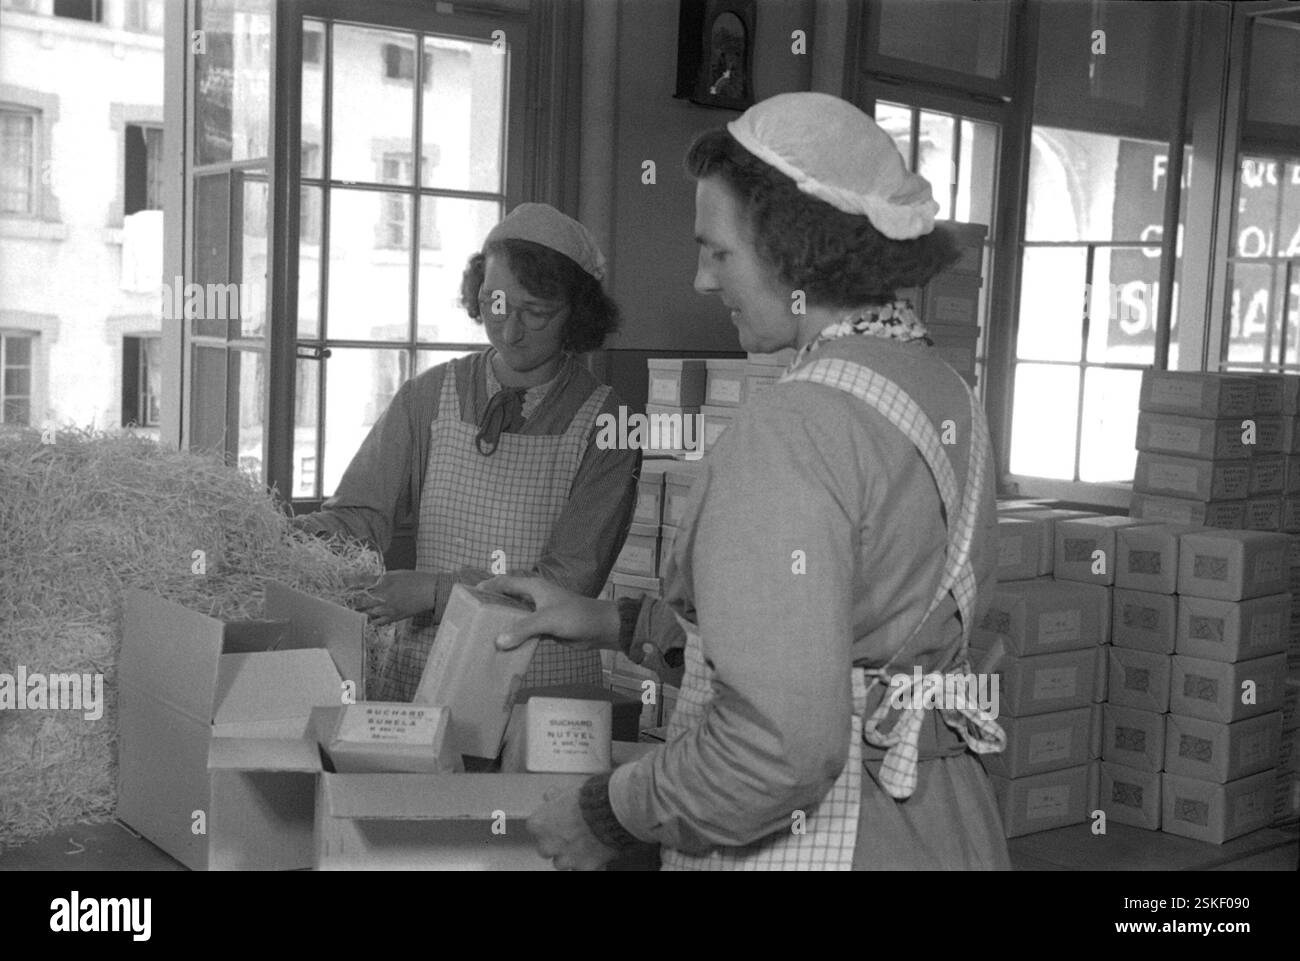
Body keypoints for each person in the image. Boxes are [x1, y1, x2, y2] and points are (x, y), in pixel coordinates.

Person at [484, 93, 1010, 870]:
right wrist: (611, 622)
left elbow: (778, 744)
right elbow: (836, 634)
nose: (701, 280)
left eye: (718, 252)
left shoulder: (792, 428)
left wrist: (608, 810)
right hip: (940, 825)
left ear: (792, 248)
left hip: (831, 834)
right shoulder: (943, 391)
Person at [297, 203, 639, 700]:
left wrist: (435, 592)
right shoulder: (429, 396)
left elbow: (568, 581)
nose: (510, 330)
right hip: (421, 672)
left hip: (537, 684)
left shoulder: (611, 425)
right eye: (496, 304)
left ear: (577, 314)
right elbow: (358, 520)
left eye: (536, 313)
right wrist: (277, 532)